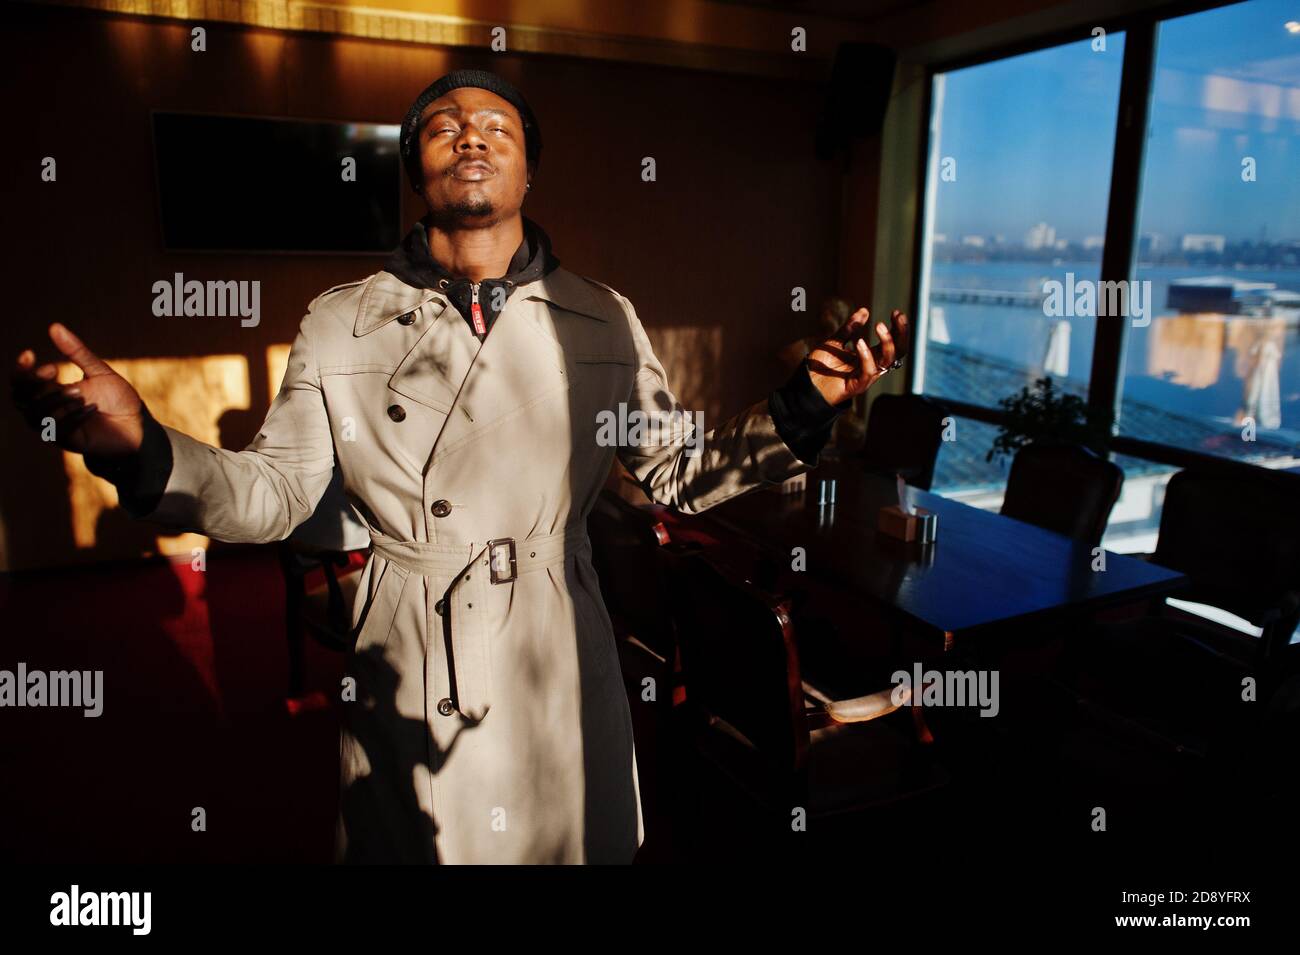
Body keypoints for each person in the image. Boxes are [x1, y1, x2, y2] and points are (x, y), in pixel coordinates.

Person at [10, 69, 909, 863]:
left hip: (559, 635)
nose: (471, 134)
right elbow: (274, 493)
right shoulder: (341, 320)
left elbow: (681, 475)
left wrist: (805, 400)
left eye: (498, 126)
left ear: (527, 171)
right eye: (443, 125)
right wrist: (145, 448)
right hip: (413, 641)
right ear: (415, 169)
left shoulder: (601, 319)